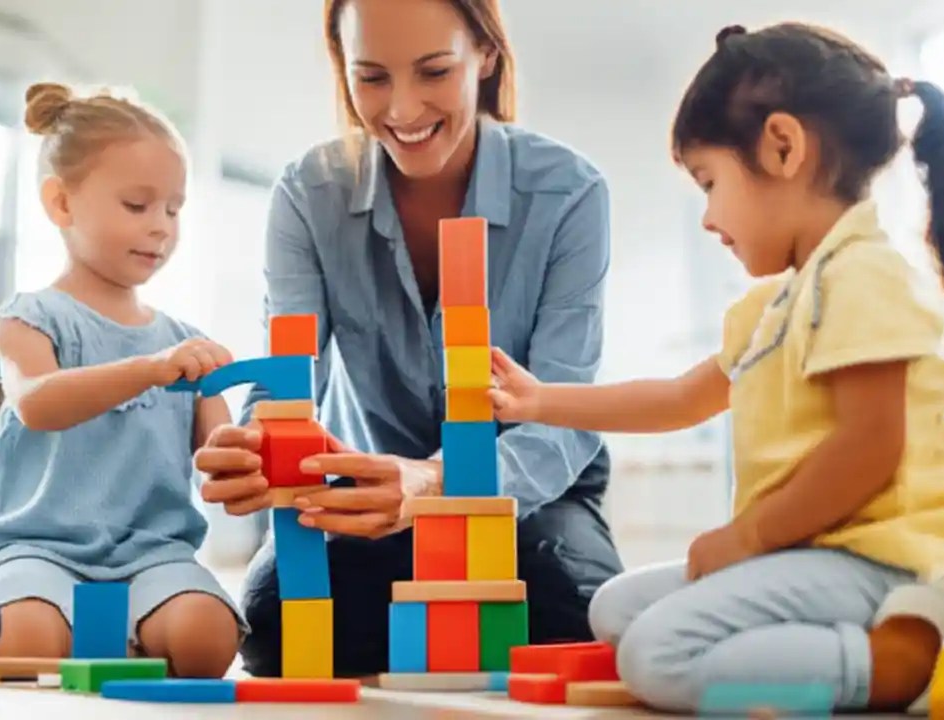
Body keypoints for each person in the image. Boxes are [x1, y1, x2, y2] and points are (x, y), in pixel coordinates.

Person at [487, 22, 944, 715]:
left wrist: (749, 536)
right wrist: (541, 401)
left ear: (783, 147)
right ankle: (812, 662)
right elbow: (680, 399)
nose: (707, 217)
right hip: (814, 557)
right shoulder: (779, 305)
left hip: (883, 562)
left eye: (709, 182)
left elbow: (871, 446)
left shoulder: (866, 275)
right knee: (615, 608)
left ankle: (885, 665)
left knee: (656, 655)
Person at [195, 0, 624, 677]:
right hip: (364, 480)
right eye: (372, 78)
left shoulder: (569, 192)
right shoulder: (310, 194)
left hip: (528, 482)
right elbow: (288, 374)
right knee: (277, 626)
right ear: (344, 72)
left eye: (433, 71)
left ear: (485, 56)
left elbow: (565, 415)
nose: (402, 108)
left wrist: (435, 482)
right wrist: (255, 449)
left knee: (568, 618)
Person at [0, 83, 244, 678]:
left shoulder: (183, 338)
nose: (161, 227)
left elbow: (221, 453)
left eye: (173, 208)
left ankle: (120, 643)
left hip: (152, 554)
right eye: (138, 206)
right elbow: (36, 403)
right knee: (19, 641)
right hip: (34, 548)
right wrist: (151, 369)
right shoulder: (27, 319)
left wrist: (251, 446)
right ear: (61, 204)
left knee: (209, 639)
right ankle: (110, 646)